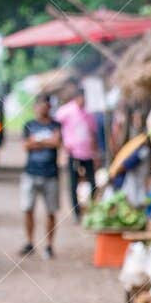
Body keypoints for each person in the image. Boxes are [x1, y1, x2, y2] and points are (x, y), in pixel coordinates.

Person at [20, 96, 61, 259]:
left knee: (51, 211)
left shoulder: (56, 125)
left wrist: (37, 141)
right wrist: (47, 141)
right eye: (40, 105)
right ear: (35, 107)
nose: (43, 108)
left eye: (45, 105)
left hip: (50, 174)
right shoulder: (29, 125)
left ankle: (49, 245)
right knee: (28, 209)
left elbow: (56, 143)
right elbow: (26, 145)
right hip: (31, 172)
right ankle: (30, 242)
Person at [55, 88, 97, 224]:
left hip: (87, 153)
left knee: (92, 182)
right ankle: (76, 212)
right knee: (73, 184)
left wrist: (95, 152)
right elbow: (56, 126)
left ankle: (92, 209)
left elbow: (93, 133)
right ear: (76, 98)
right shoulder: (66, 111)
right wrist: (62, 145)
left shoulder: (88, 114)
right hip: (73, 153)